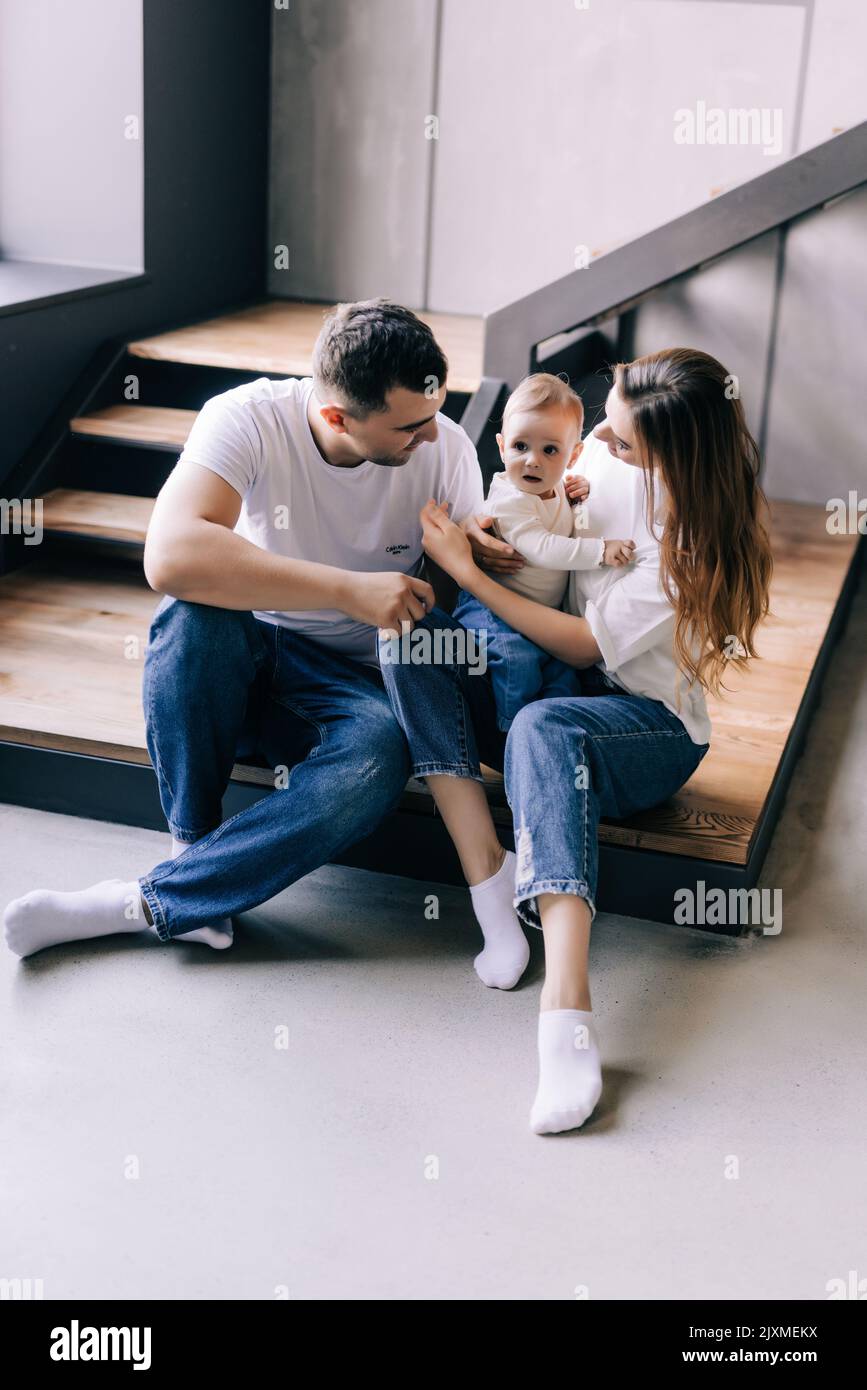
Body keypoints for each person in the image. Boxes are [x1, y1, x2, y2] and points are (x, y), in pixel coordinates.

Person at [3, 299, 497, 957]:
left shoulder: (448, 450)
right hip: (241, 658)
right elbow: (169, 555)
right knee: (191, 611)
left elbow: (473, 584)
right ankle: (193, 849)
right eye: (410, 426)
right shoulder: (246, 417)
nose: (432, 435)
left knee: (378, 757)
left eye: (435, 412)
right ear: (335, 417)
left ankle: (158, 899)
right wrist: (348, 591)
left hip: (346, 691)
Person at [378, 348, 774, 1134]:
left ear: (663, 456)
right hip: (541, 682)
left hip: (643, 726)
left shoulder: (685, 542)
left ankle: (566, 1011)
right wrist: (487, 531)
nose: (595, 438)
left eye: (620, 440)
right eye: (603, 417)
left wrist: (470, 568)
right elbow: (537, 499)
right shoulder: (594, 447)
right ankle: (490, 880)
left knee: (541, 726)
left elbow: (582, 647)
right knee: (407, 637)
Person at [450, 371, 635, 732]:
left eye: (550, 450)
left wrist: (578, 492)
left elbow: (566, 518)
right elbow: (544, 549)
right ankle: (509, 730)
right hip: (492, 609)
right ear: (502, 446)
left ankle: (544, 729)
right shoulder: (510, 501)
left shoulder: (554, 489)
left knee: (563, 676)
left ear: (573, 455)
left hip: (536, 615)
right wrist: (600, 551)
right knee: (514, 659)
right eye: (520, 447)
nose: (533, 460)